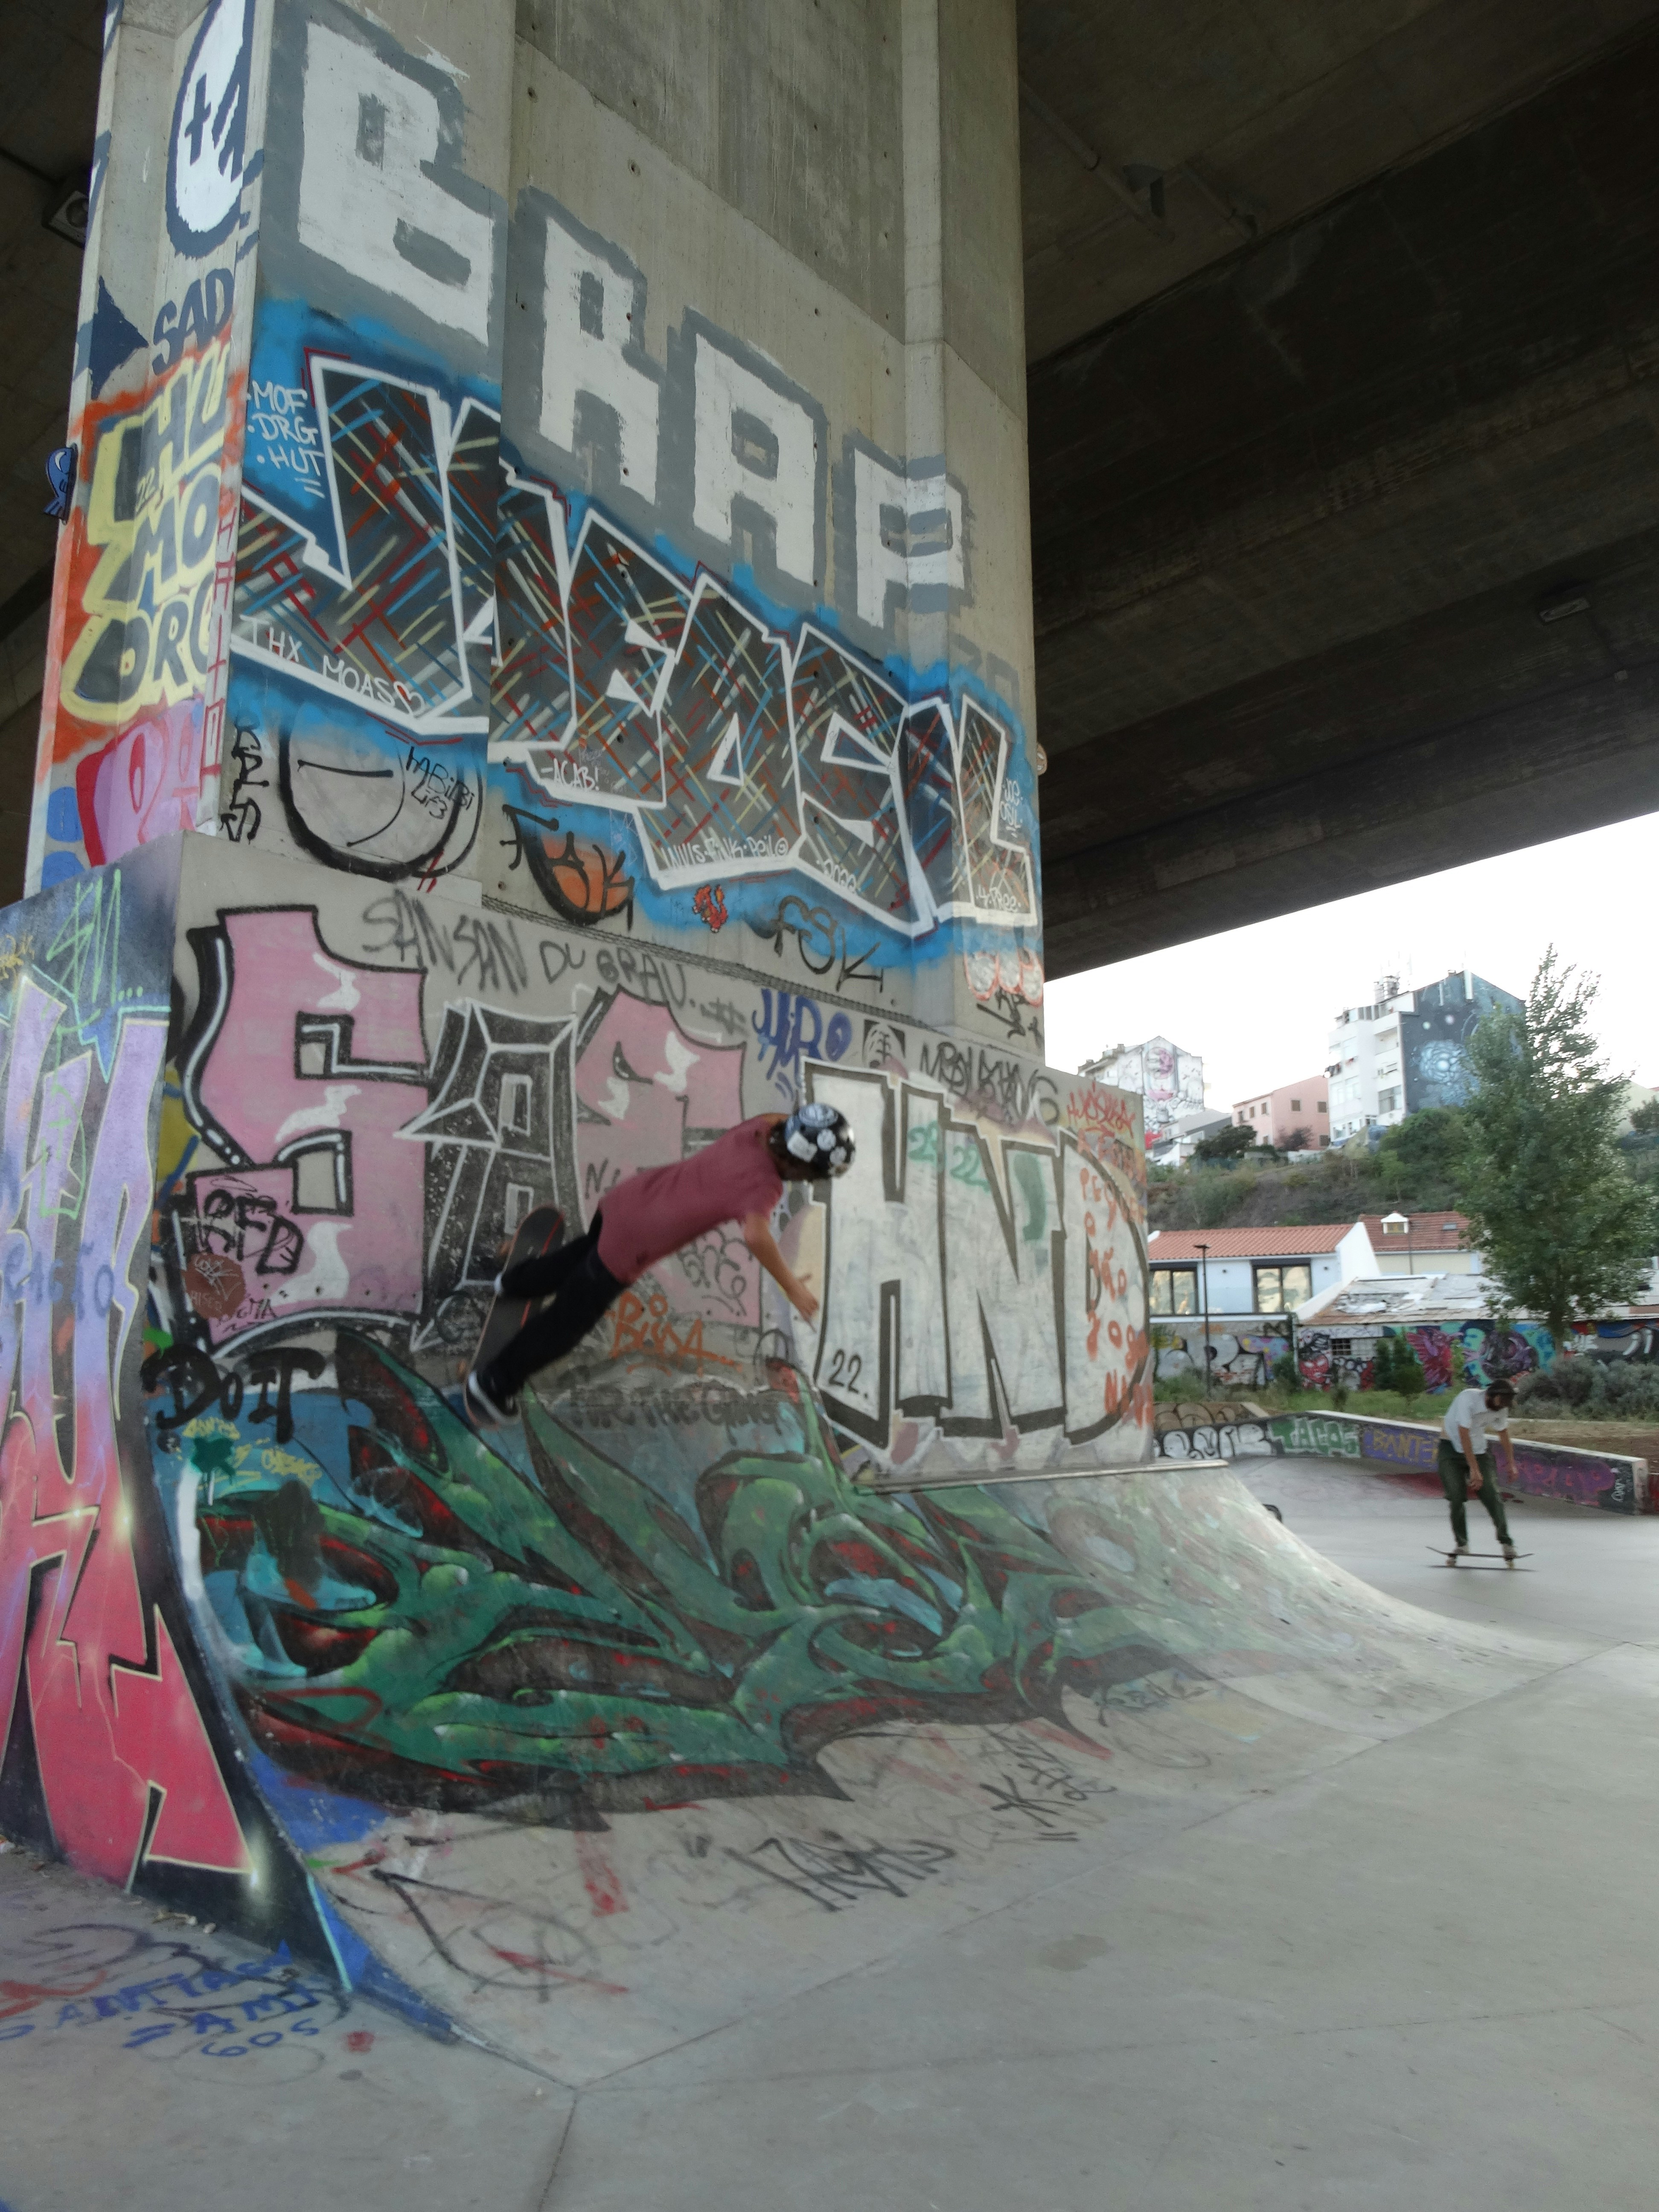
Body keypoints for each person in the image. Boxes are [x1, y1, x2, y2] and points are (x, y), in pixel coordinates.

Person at [463, 1101, 855, 1425]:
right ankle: (495, 1382)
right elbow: (756, 1235)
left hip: (629, 1200)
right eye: (811, 1175)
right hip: (635, 1242)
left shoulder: (761, 1127)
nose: (806, 1182)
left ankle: (516, 1282)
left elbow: (787, 1121)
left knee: (584, 1250)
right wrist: (792, 1287)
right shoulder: (765, 1185)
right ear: (800, 1165)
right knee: (567, 1322)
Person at [1438, 1378, 1519, 1560]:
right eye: (1501, 1401)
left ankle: (1507, 1543)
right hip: (1450, 1450)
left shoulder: (1501, 1408)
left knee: (1492, 1494)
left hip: (1479, 1450)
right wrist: (1474, 1470)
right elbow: (1463, 1434)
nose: (1503, 1406)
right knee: (1456, 1496)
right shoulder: (1468, 1399)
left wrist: (1511, 1463)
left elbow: (1503, 1433)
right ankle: (1462, 1544)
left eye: (1506, 1402)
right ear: (1490, 1395)